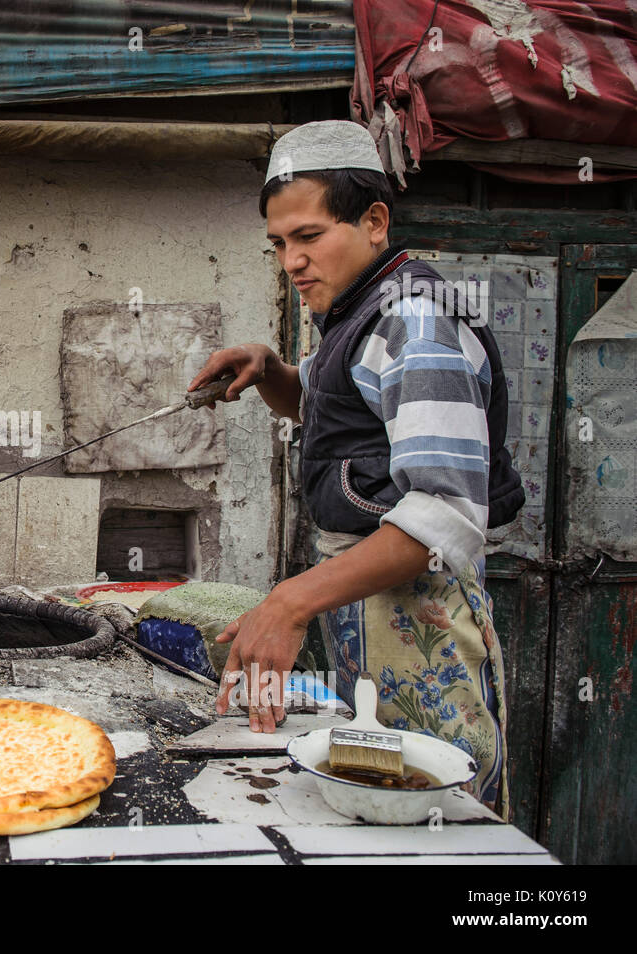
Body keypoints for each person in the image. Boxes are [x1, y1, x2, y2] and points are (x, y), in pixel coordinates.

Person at [189, 120, 524, 813]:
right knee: (368, 810)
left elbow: (445, 511)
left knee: (432, 812)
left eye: (309, 237)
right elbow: (326, 404)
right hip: (363, 626)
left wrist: (290, 600)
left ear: (375, 220)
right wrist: (272, 369)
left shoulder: (417, 321)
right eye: (279, 244)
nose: (291, 261)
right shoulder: (360, 314)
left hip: (422, 623)